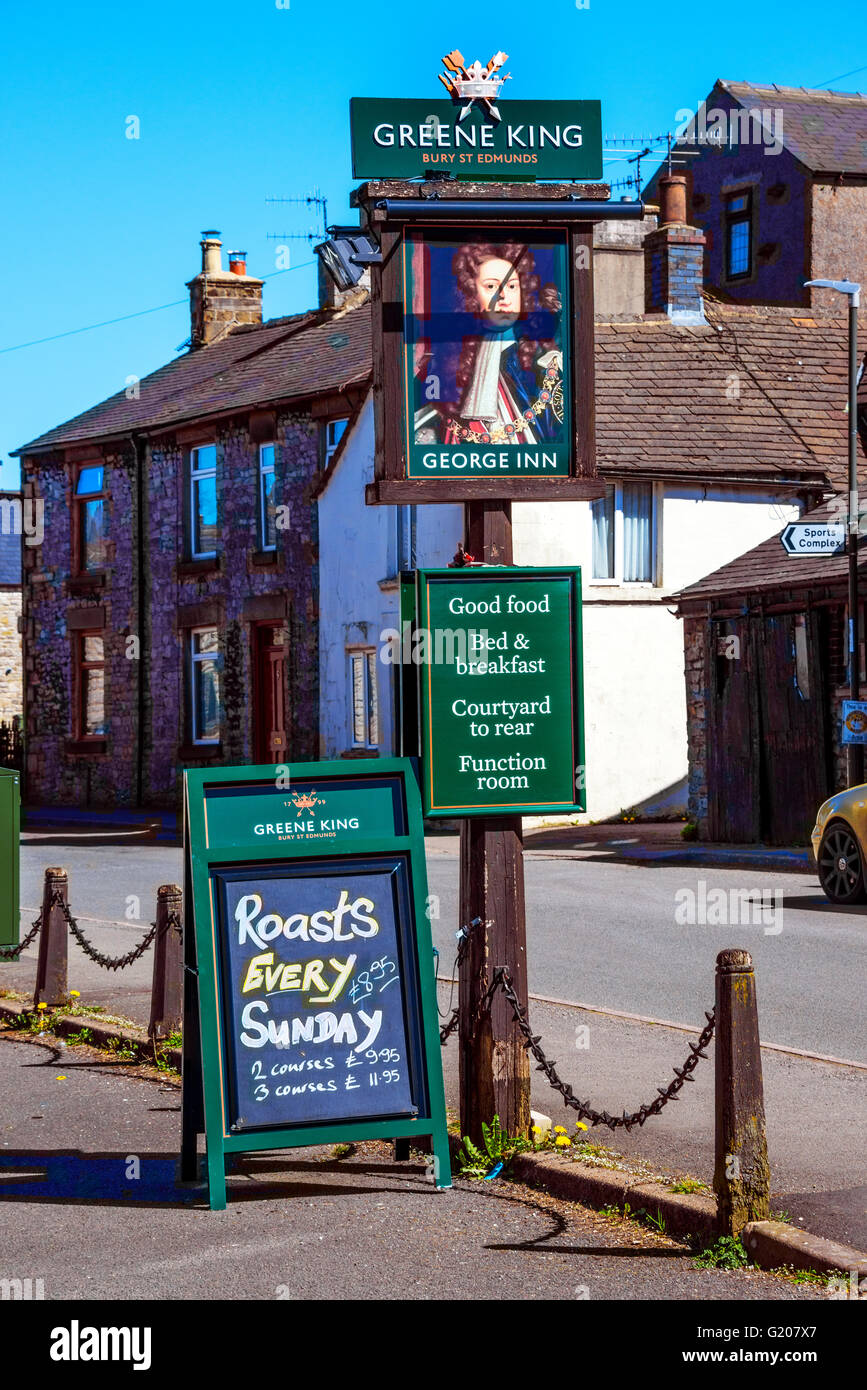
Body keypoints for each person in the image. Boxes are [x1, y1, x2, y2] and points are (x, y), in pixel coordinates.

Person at [414, 239, 564, 447]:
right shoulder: (445, 362)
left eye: (512, 286)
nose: (503, 296)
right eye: (491, 286)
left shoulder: (542, 360)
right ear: (471, 294)